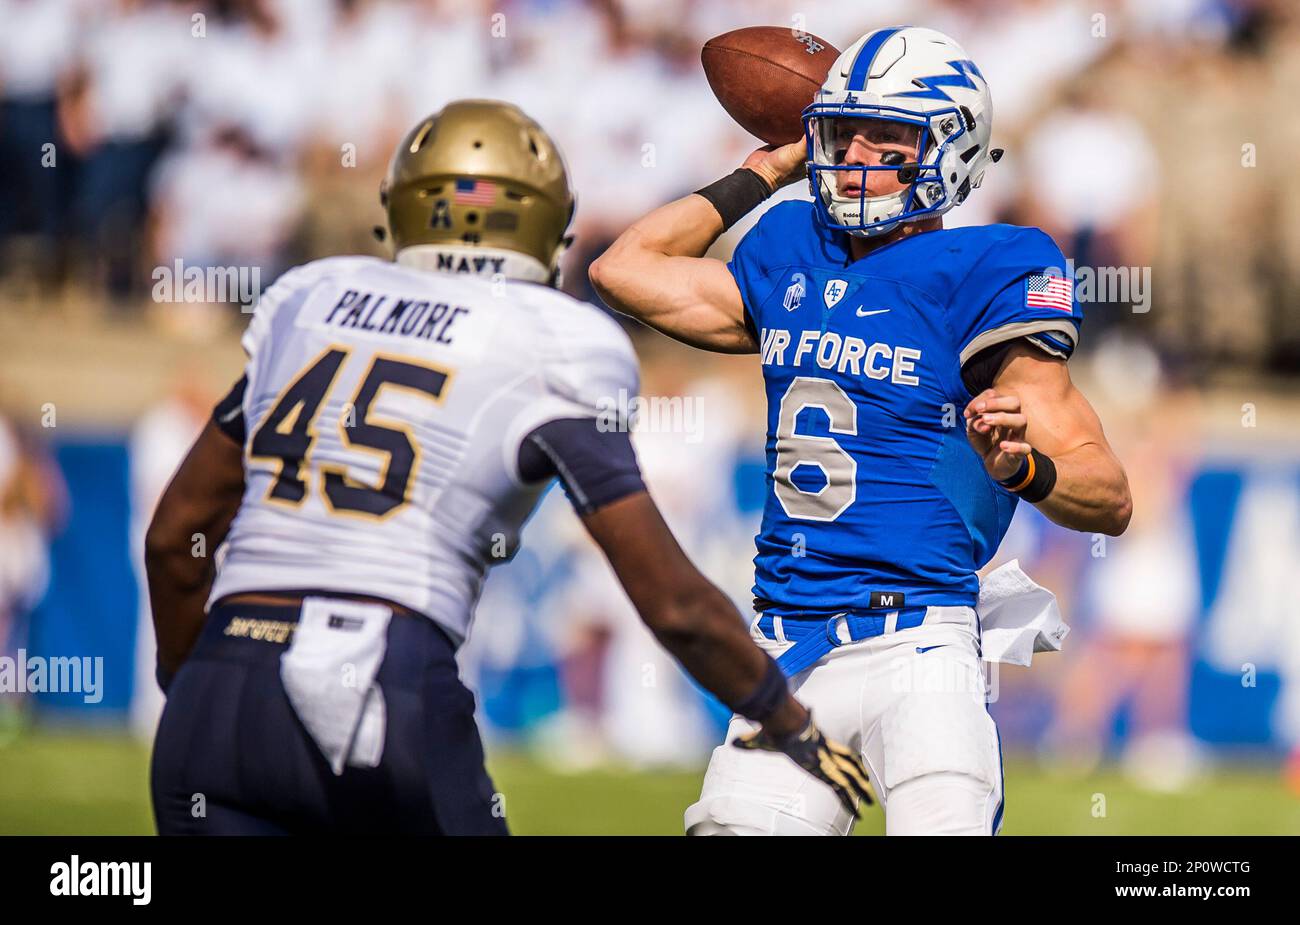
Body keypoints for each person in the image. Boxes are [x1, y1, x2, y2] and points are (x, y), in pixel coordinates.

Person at [144, 99, 871, 835]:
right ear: (548, 224)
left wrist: (197, 683)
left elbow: (176, 535)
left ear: (400, 206)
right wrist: (788, 718)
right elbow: (674, 602)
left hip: (222, 681)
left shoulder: (311, 298)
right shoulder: (554, 339)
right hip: (379, 676)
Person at [590, 26, 1132, 835]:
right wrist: (759, 171)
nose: (859, 158)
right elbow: (620, 270)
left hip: (921, 646)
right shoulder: (791, 248)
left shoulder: (988, 272)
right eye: (846, 134)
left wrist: (1026, 471)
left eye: (890, 138)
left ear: (950, 150)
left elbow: (1109, 493)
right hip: (785, 651)